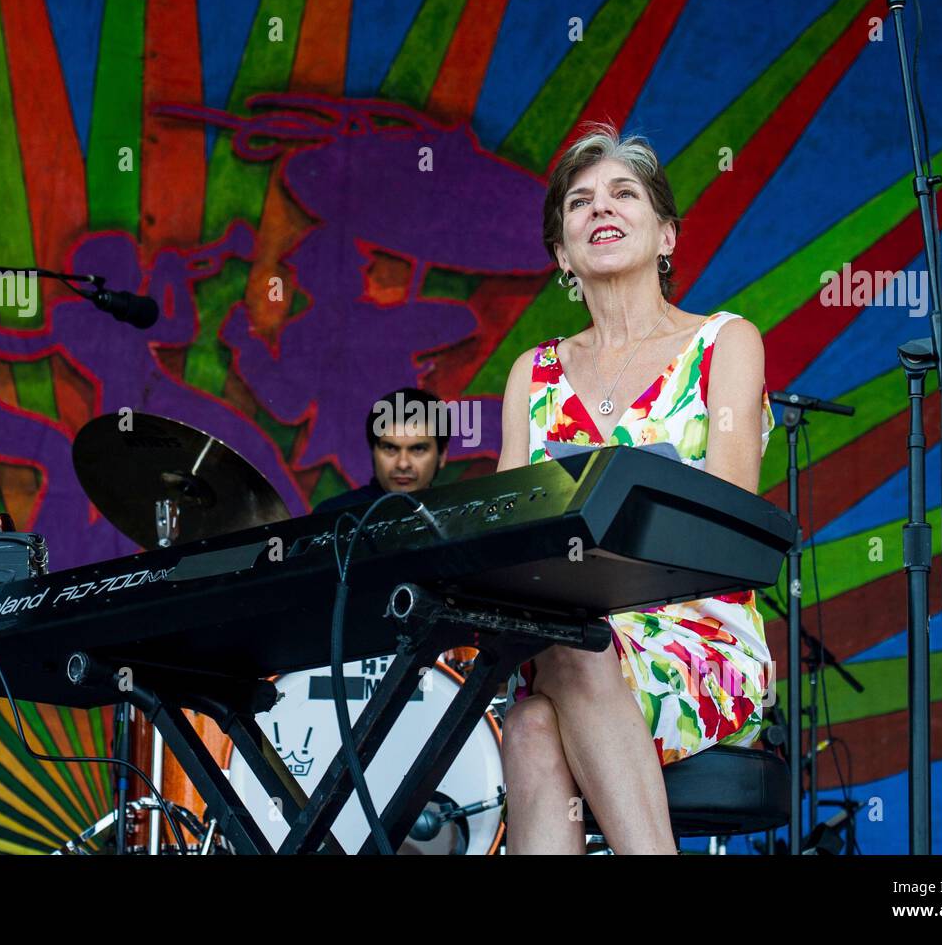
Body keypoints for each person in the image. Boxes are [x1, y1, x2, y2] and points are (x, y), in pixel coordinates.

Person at [496, 122, 775, 854]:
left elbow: (728, 530)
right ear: (562, 252)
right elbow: (498, 538)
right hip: (577, 635)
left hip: (699, 633)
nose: (601, 208)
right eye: (580, 202)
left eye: (624, 193)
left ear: (666, 237)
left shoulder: (724, 342)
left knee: (571, 644)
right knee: (526, 719)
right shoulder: (534, 373)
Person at [312, 387, 451, 513]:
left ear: (442, 455)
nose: (402, 464)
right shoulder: (331, 516)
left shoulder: (459, 514)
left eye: (418, 449)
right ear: (373, 451)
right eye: (390, 448)